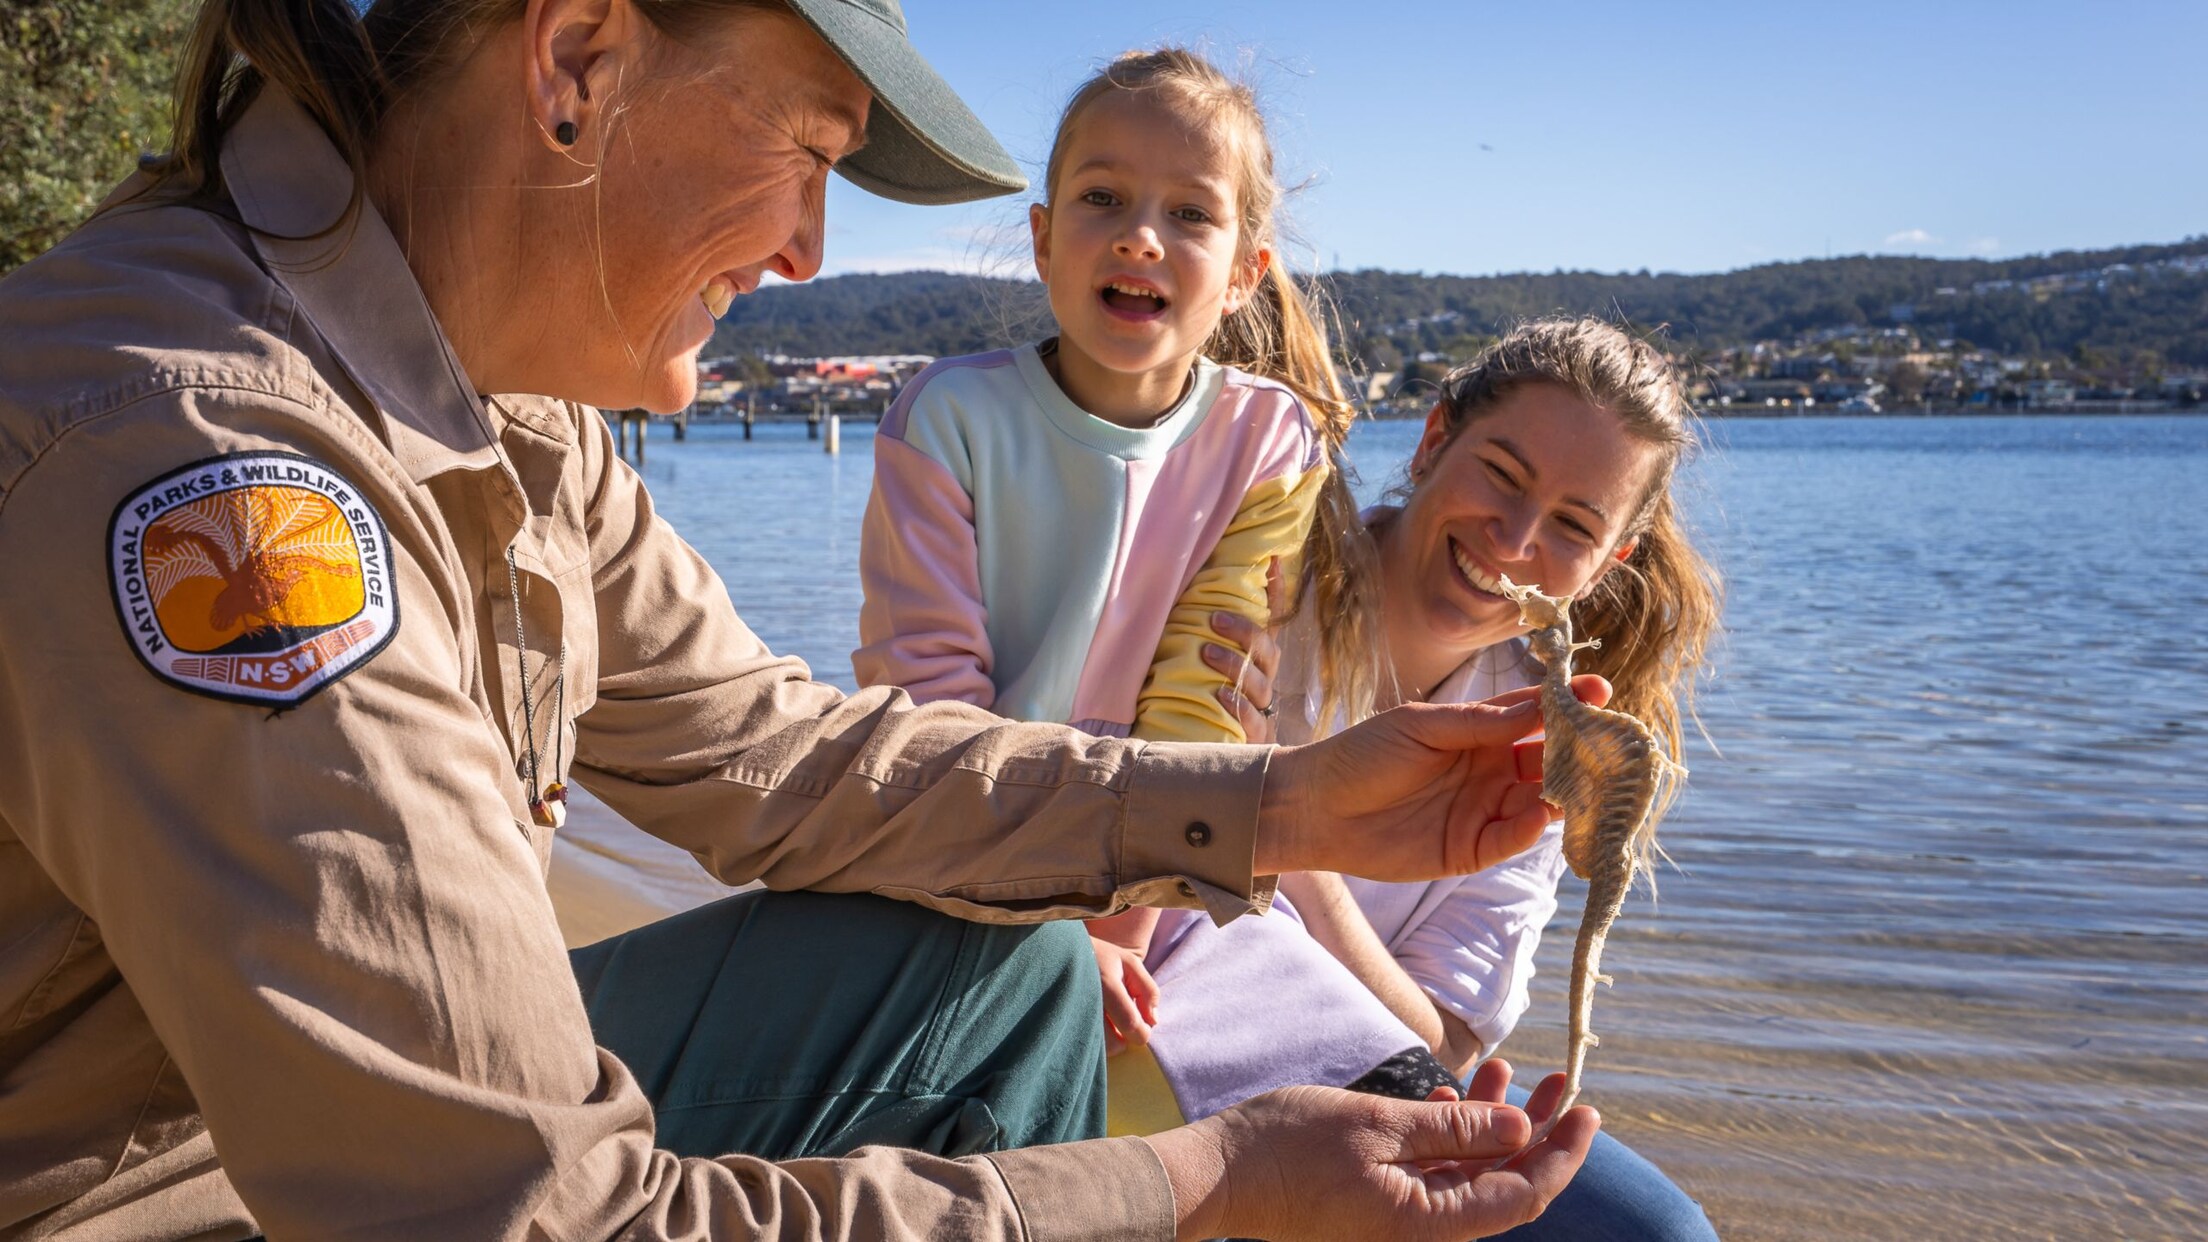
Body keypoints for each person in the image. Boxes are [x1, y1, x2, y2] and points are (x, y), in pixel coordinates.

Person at [0, 2, 1600, 1240]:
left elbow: (780, 754)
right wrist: (1201, 1178)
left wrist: (1278, 805)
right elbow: (543, 1220)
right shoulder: (224, 488)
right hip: (154, 1196)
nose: (810, 252)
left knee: (1012, 983)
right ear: (577, 58)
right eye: (812, 150)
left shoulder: (504, 403)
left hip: (258, 1125)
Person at [851, 47, 1424, 1132]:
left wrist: (1114, 928)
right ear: (1042, 238)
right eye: (1102, 198)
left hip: (1164, 869)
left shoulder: (1270, 438)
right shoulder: (947, 419)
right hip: (960, 850)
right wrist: (1056, 938)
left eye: (1190, 214)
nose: (1140, 237)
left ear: (1245, 272)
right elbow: (931, 708)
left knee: (1404, 1108)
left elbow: (1205, 692)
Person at [1201, 317, 1726, 1238]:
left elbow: (1442, 1043)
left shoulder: (1539, 739)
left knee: (1656, 1233)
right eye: (1503, 476)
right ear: (1434, 439)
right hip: (1179, 1043)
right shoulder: (1256, 589)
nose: (1515, 538)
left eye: (1573, 525)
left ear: (1609, 563)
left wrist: (1288, 824)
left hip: (1365, 1081)